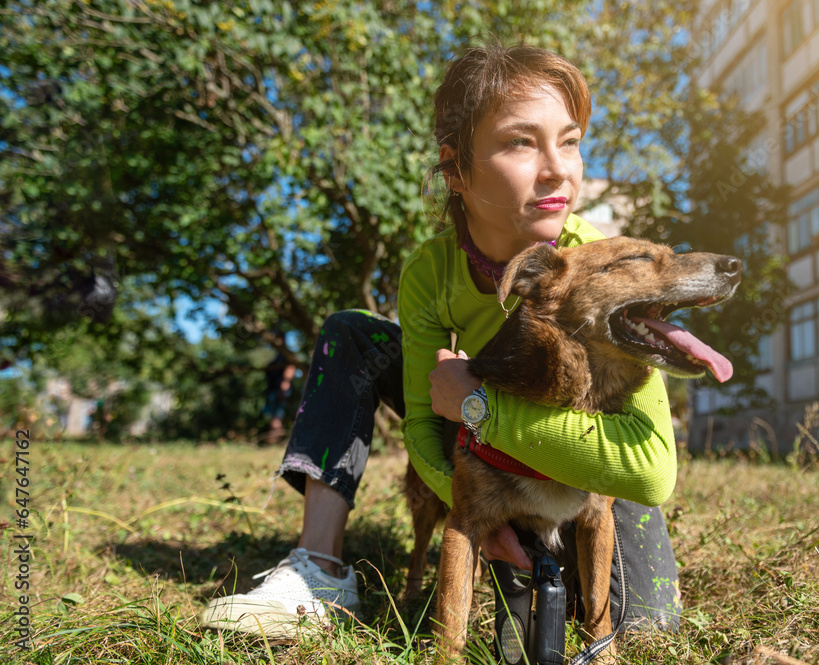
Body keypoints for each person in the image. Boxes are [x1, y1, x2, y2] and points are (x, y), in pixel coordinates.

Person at [200, 43, 683, 640]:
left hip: (584, 455)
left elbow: (653, 471)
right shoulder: (431, 273)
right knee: (351, 332)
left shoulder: (601, 273)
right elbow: (427, 425)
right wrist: (476, 510)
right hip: (482, 452)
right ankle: (318, 568)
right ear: (455, 168)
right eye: (520, 142)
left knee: (647, 626)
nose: (559, 169)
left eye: (571, 140)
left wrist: (480, 408)